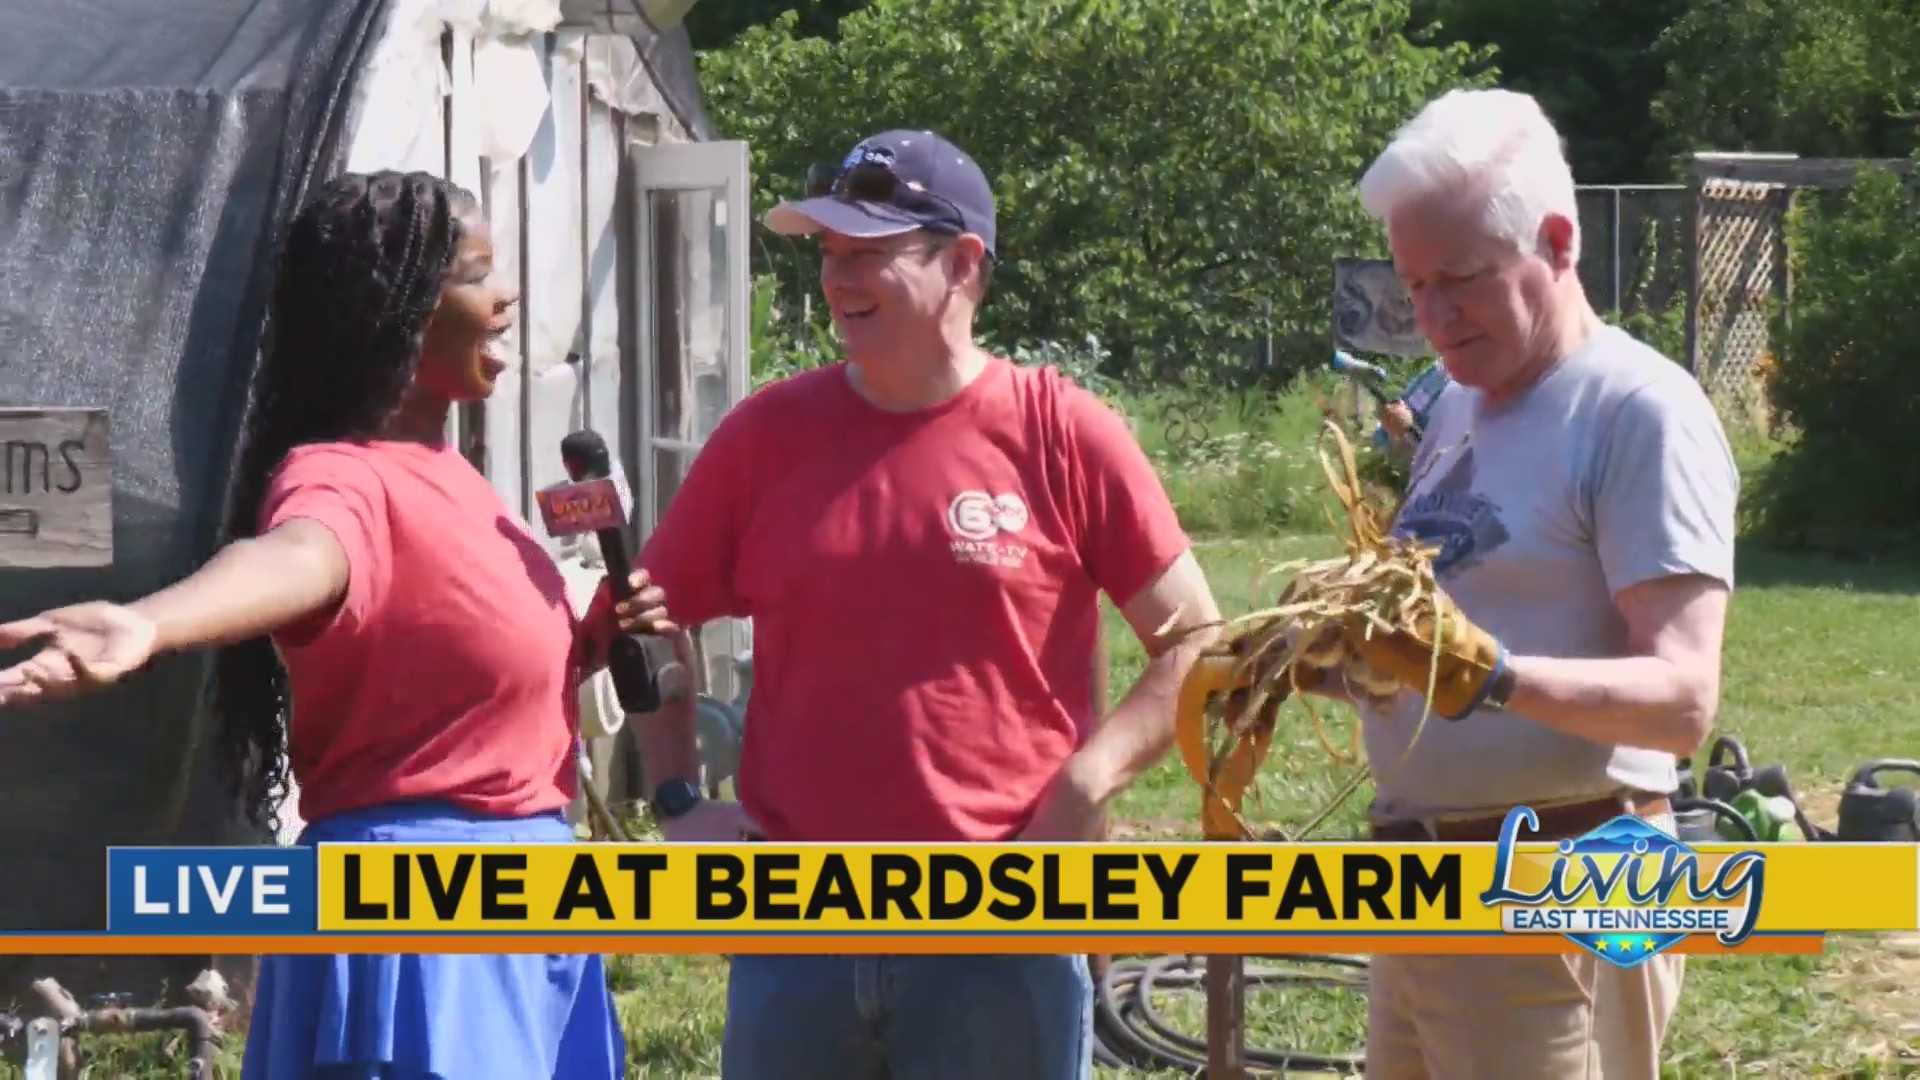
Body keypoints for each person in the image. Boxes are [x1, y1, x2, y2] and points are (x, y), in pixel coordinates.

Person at [0, 170, 664, 1080]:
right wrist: (150, 625)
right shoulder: (341, 478)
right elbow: (301, 558)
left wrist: (588, 636)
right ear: (393, 311)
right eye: (474, 274)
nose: (507, 297)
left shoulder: (452, 473)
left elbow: (457, 683)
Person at [623, 129, 1221, 1080]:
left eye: (868, 254)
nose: (835, 279)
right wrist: (678, 801)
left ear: (963, 263)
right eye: (826, 252)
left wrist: (1086, 781)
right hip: (797, 920)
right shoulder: (766, 438)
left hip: (1003, 916)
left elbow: (1195, 639)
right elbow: (648, 620)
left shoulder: (1061, 431)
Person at [1327, 89, 1739, 1079]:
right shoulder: (1465, 406)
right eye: (1412, 283)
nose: (1429, 315)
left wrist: (1491, 676)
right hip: (1423, 884)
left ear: (1557, 242)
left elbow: (1683, 702)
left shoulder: (1639, 412)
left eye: (1458, 279)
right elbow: (1452, 635)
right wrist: (1341, 656)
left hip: (1566, 885)